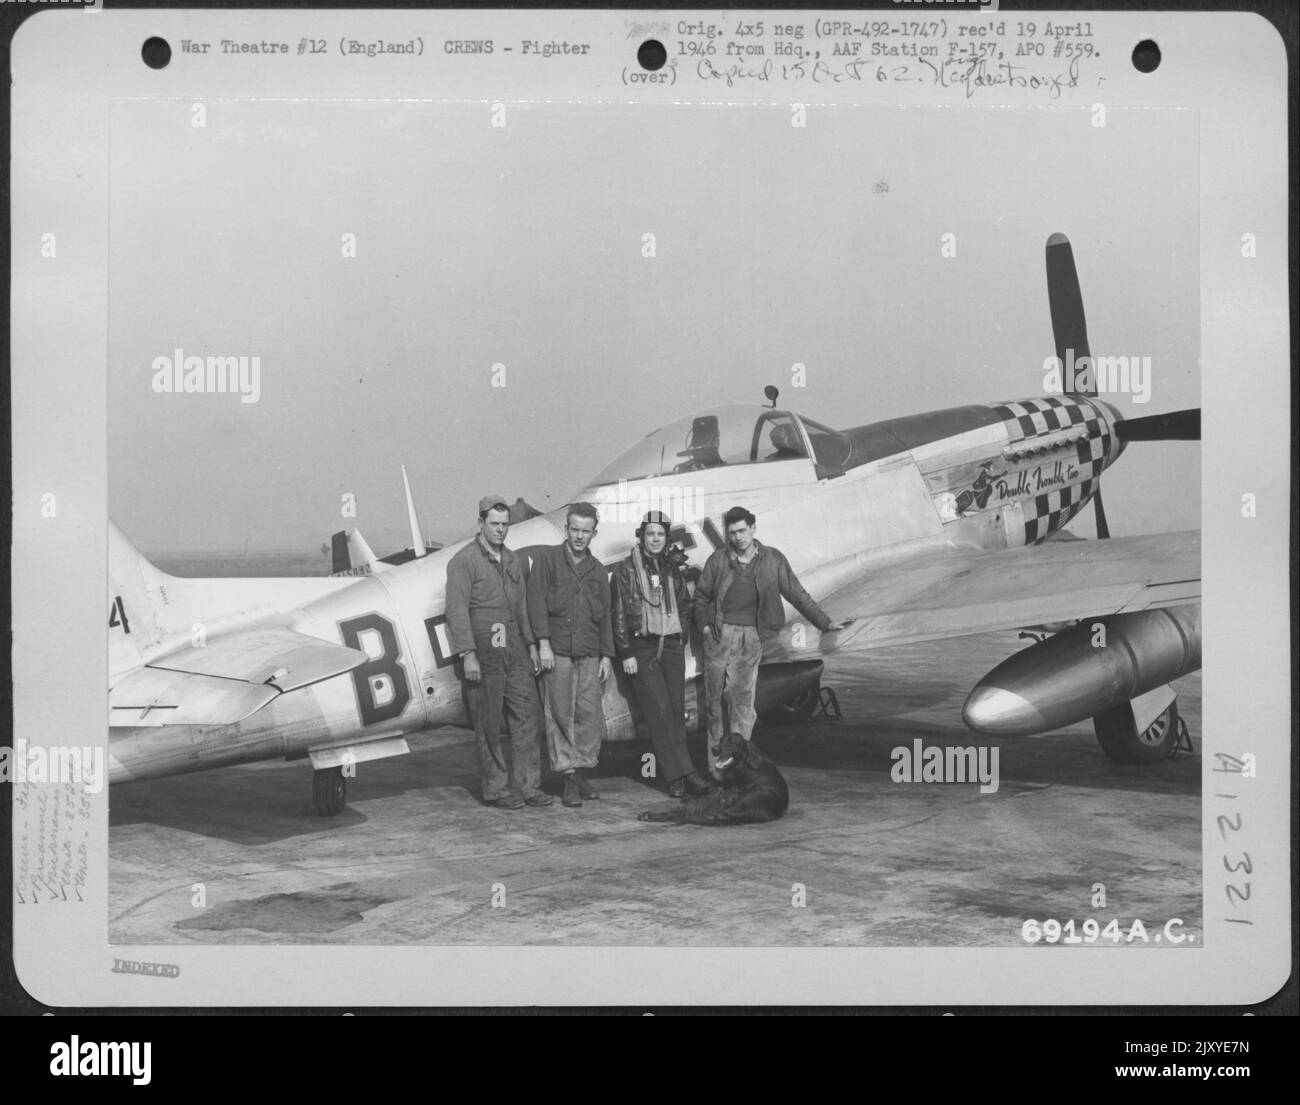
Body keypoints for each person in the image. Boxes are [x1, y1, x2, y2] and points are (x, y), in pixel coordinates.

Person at [693, 506, 844, 777]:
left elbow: (796, 593)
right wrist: (705, 627)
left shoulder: (773, 559)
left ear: (753, 529)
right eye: (732, 533)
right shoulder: (718, 560)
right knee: (714, 706)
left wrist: (824, 622)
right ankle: (715, 773)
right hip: (719, 636)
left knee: (741, 704)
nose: (738, 537)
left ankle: (736, 769)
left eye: (742, 530)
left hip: (752, 637)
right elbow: (701, 596)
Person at [444, 495, 551, 809]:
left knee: (528, 715)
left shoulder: (512, 560)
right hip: (485, 644)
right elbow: (456, 610)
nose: (501, 530)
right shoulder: (463, 561)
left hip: (513, 643)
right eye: (494, 524)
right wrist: (467, 654)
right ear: (481, 524)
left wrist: (530, 645)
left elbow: (520, 607)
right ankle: (497, 790)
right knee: (488, 721)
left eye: (505, 525)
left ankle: (528, 787)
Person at [613, 511, 713, 798]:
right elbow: (618, 612)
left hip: (670, 645)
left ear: (666, 538)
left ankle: (678, 777)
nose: (655, 539)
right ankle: (684, 775)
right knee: (659, 712)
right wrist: (626, 651)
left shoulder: (672, 568)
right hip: (643, 646)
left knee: (676, 711)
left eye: (660, 534)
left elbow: (684, 603)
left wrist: (680, 634)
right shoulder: (626, 570)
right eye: (650, 534)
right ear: (641, 536)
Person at [527, 502, 614, 808]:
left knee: (589, 714)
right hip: (559, 650)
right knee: (560, 713)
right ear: (566, 529)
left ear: (594, 533)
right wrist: (544, 643)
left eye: (585, 531)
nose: (579, 536)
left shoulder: (599, 571)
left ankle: (581, 771)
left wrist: (606, 655)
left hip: (589, 651)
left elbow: (605, 616)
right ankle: (568, 776)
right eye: (574, 529)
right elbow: (536, 602)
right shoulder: (547, 561)